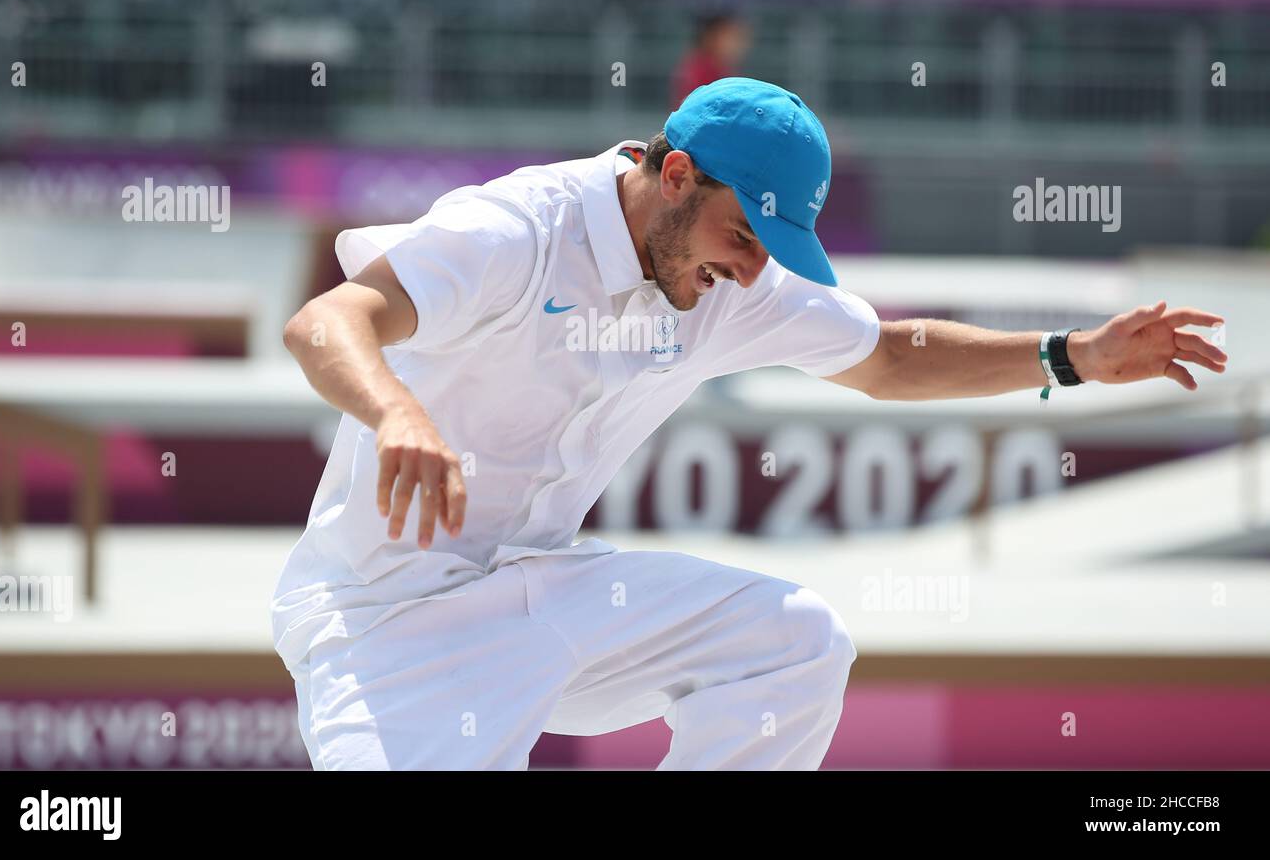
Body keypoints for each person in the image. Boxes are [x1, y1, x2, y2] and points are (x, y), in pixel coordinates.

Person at [272, 77, 1227, 770]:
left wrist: (1074, 357)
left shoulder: (732, 277)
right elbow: (329, 320)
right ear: (677, 175)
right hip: (385, 621)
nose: (748, 272)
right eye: (744, 240)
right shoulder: (518, 230)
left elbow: (891, 356)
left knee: (796, 645)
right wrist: (396, 410)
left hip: (548, 591)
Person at [670, 10, 751, 109]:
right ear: (711, 37)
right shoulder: (699, 69)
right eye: (732, 37)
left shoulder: (722, 67)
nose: (740, 45)